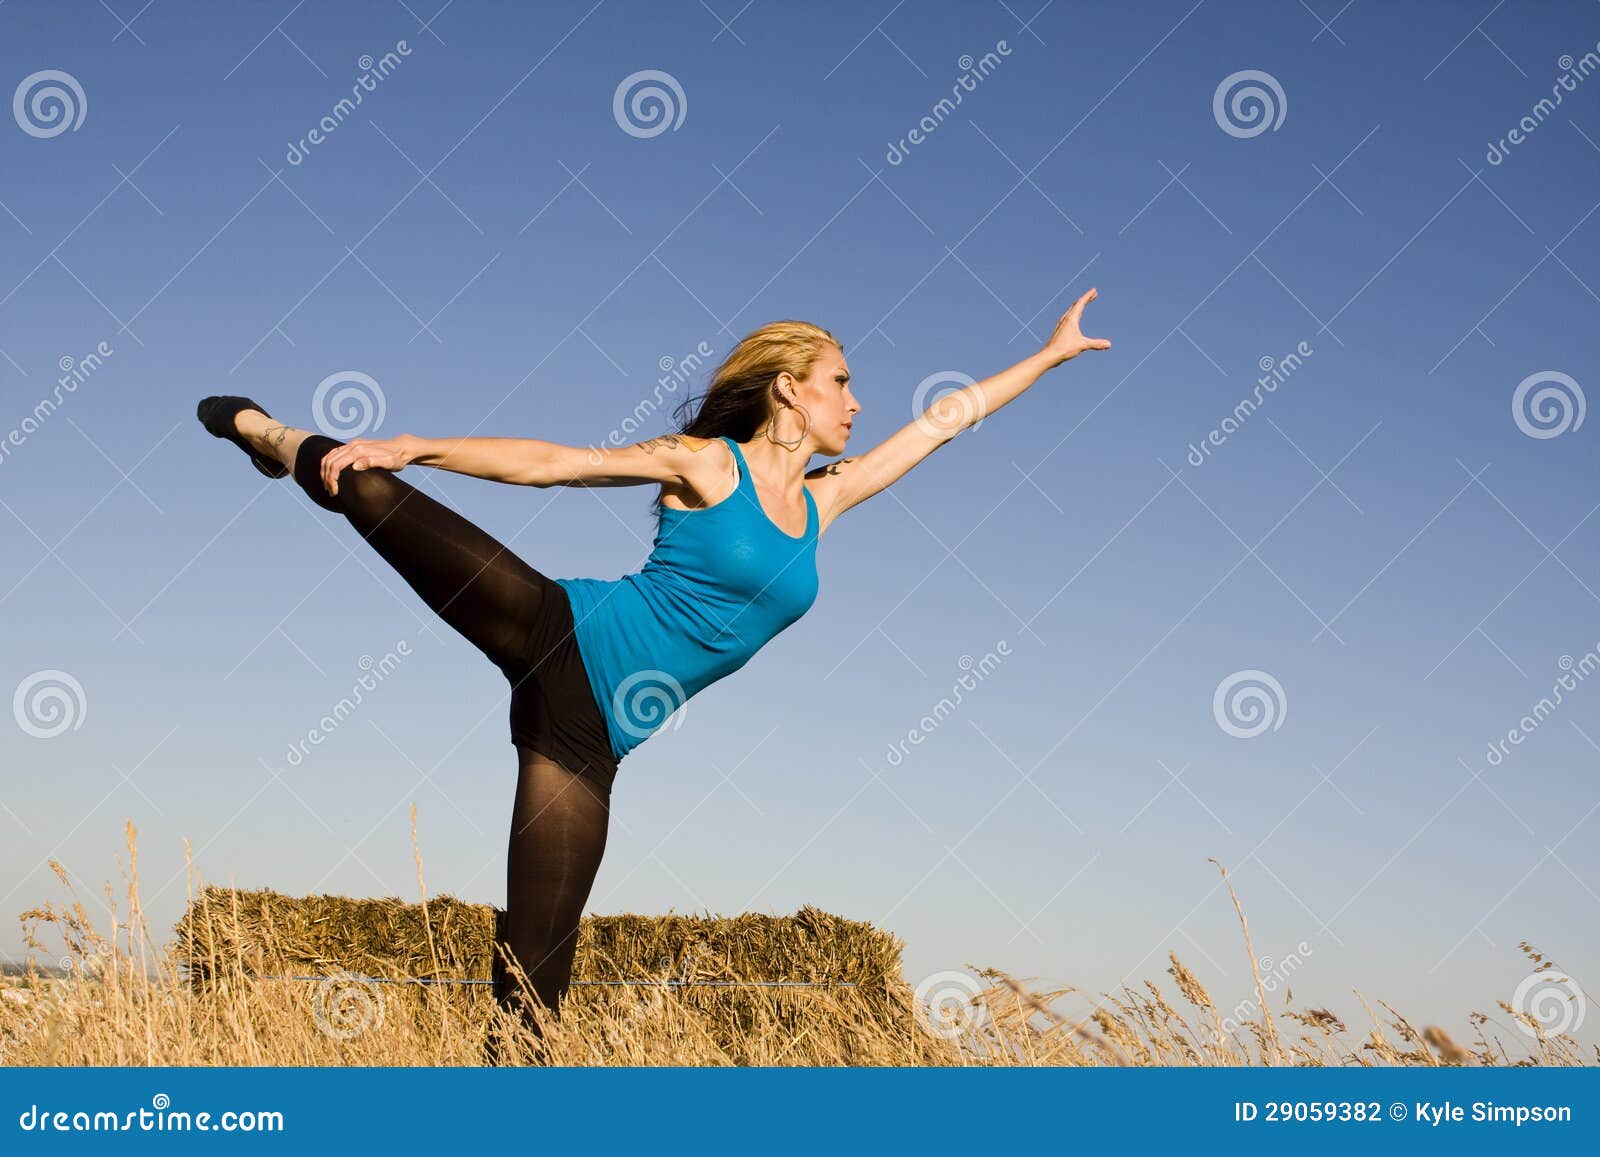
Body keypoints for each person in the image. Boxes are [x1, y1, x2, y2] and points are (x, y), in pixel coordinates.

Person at [195, 289, 1109, 1061]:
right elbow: (559, 465)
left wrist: (1051, 356)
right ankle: (265, 431)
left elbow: (944, 423)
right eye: (842, 382)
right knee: (372, 487)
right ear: (790, 389)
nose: (857, 402)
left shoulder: (828, 499)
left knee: (535, 987)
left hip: (592, 737)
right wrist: (416, 444)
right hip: (561, 632)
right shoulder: (711, 465)